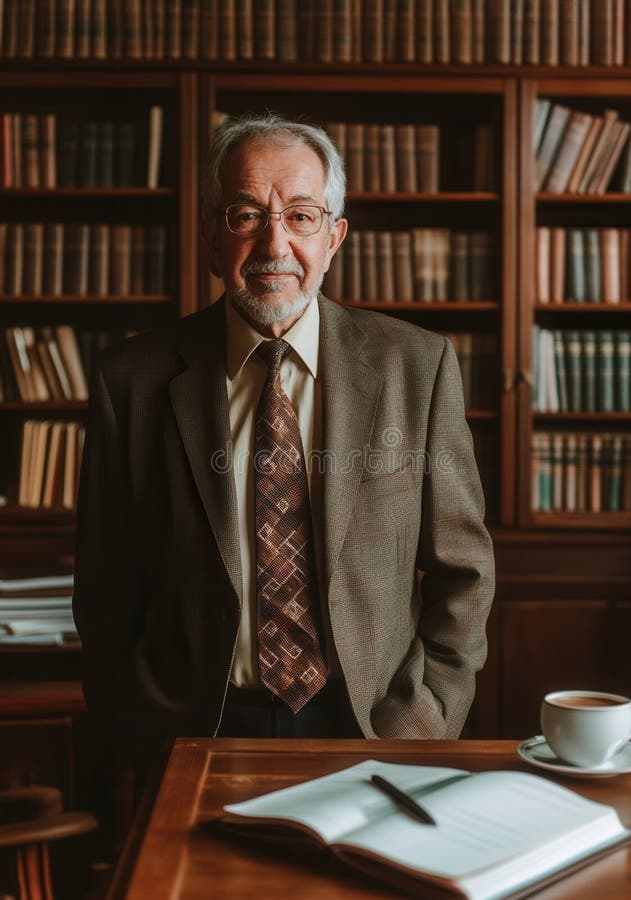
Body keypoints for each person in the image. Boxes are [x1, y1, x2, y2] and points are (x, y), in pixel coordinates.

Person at [73, 113, 494, 766]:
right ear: (212, 236)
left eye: (301, 216)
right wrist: (137, 726)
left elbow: (463, 572)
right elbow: (105, 588)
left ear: (334, 237)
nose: (275, 244)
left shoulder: (417, 366)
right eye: (246, 215)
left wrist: (425, 718)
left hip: (371, 726)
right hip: (191, 732)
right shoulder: (130, 381)